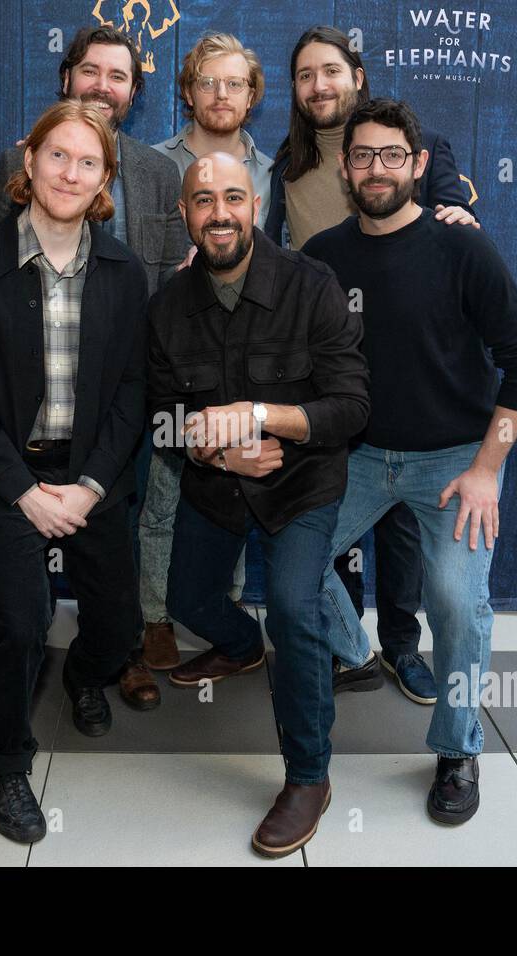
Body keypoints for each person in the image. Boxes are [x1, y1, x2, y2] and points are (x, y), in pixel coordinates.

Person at [303, 99, 517, 825]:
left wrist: (487, 468)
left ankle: (457, 748)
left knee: (455, 603)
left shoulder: (462, 247)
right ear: (345, 169)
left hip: (450, 462)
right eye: (361, 156)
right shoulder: (323, 255)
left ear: (416, 165)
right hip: (354, 455)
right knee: (293, 562)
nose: (375, 169)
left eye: (391, 155)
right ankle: (356, 651)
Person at [0, 101, 148, 844]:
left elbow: (131, 393)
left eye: (89, 162)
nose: (71, 172)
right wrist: (24, 491)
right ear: (29, 162)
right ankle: (5, 765)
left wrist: (86, 488)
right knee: (20, 622)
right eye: (58, 155)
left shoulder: (123, 270)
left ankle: (85, 676)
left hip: (93, 474)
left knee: (120, 628)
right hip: (2, 476)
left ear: (105, 178)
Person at [148, 152, 369, 858]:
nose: (219, 212)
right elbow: (158, 416)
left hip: (299, 486)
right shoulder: (166, 307)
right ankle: (238, 648)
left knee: (295, 612)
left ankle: (309, 776)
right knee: (186, 597)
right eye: (203, 198)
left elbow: (351, 408)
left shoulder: (313, 286)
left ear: (257, 205)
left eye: (234, 196)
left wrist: (259, 415)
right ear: (184, 214)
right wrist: (216, 448)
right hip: (215, 484)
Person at [265, 24, 482, 701]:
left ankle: (401, 648)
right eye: (305, 75)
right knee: (334, 506)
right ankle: (344, 646)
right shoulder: (288, 164)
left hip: (407, 359)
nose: (319, 85)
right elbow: (276, 249)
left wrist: (455, 210)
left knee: (405, 526)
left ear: (357, 75)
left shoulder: (412, 146)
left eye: (331, 70)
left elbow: (452, 206)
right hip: (330, 362)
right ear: (296, 90)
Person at [0, 25, 187, 710]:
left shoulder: (159, 172)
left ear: (134, 90)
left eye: (119, 76)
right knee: (24, 580)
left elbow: (171, 284)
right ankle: (32, 655)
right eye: (91, 71)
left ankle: (115, 657)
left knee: (118, 539)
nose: (104, 85)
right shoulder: (21, 160)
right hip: (37, 399)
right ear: (67, 77)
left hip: (126, 397)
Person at [138, 32, 274, 674]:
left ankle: (227, 616)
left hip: (251, 361)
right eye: (208, 82)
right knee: (165, 491)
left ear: (252, 97)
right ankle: (157, 618)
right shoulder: (153, 162)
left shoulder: (276, 171)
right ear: (187, 91)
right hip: (177, 354)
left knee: (243, 482)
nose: (221, 94)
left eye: (236, 83)